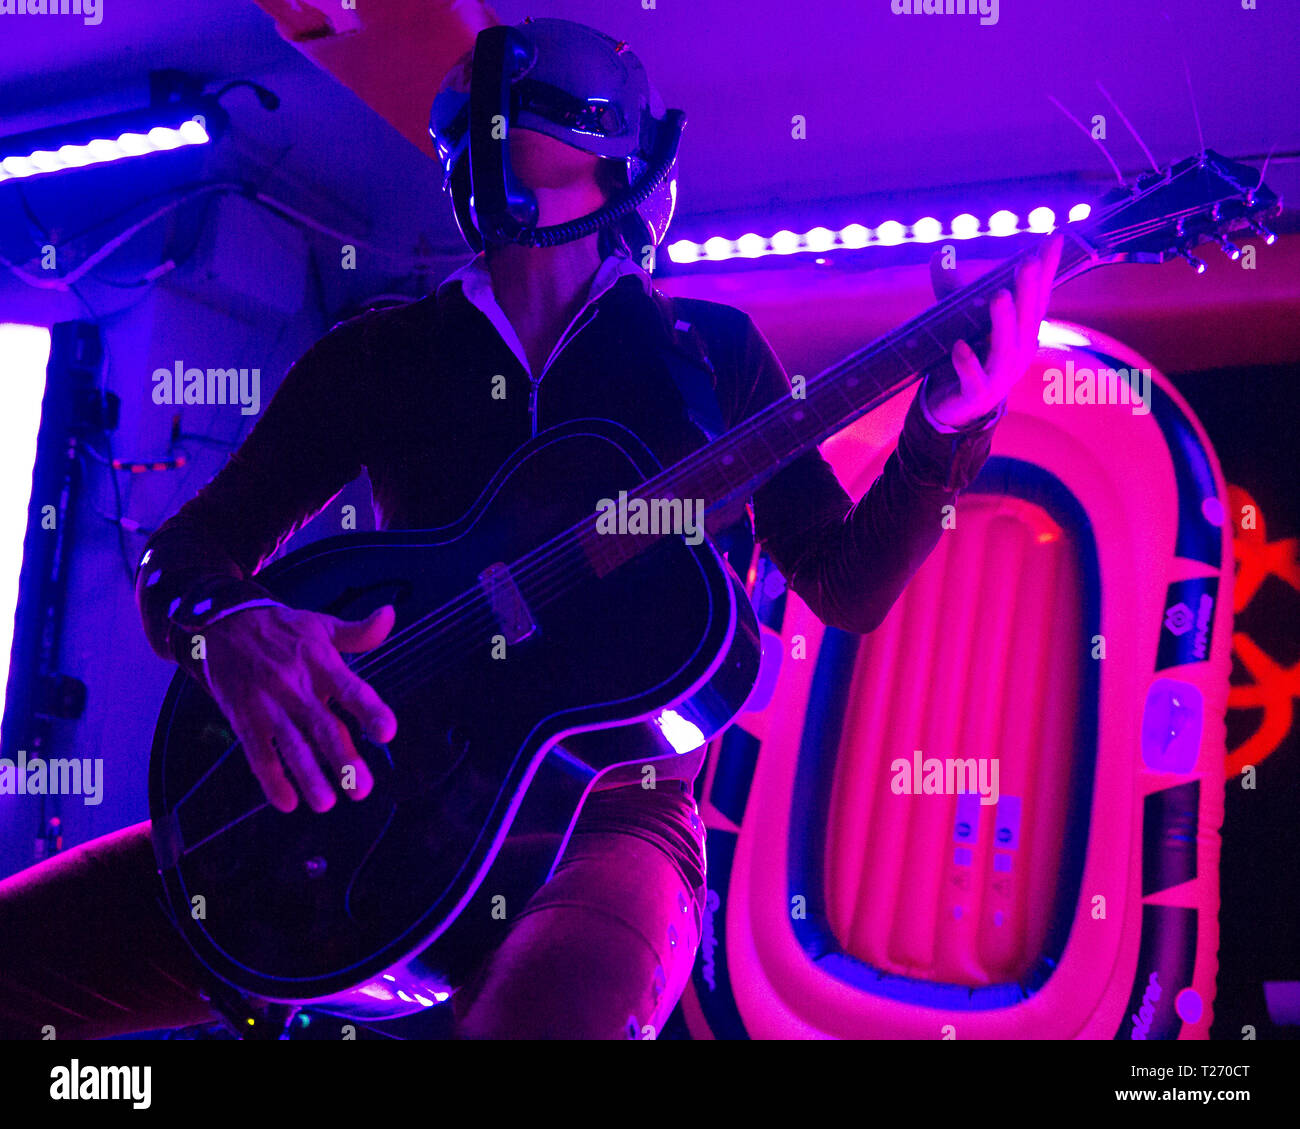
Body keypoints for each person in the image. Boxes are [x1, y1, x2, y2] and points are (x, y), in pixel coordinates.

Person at [0, 18, 1061, 1040]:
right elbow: (186, 552)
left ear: (619, 165)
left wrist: (945, 433)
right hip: (370, 777)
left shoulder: (713, 352)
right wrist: (227, 624)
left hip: (613, 812)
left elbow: (844, 582)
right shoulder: (379, 355)